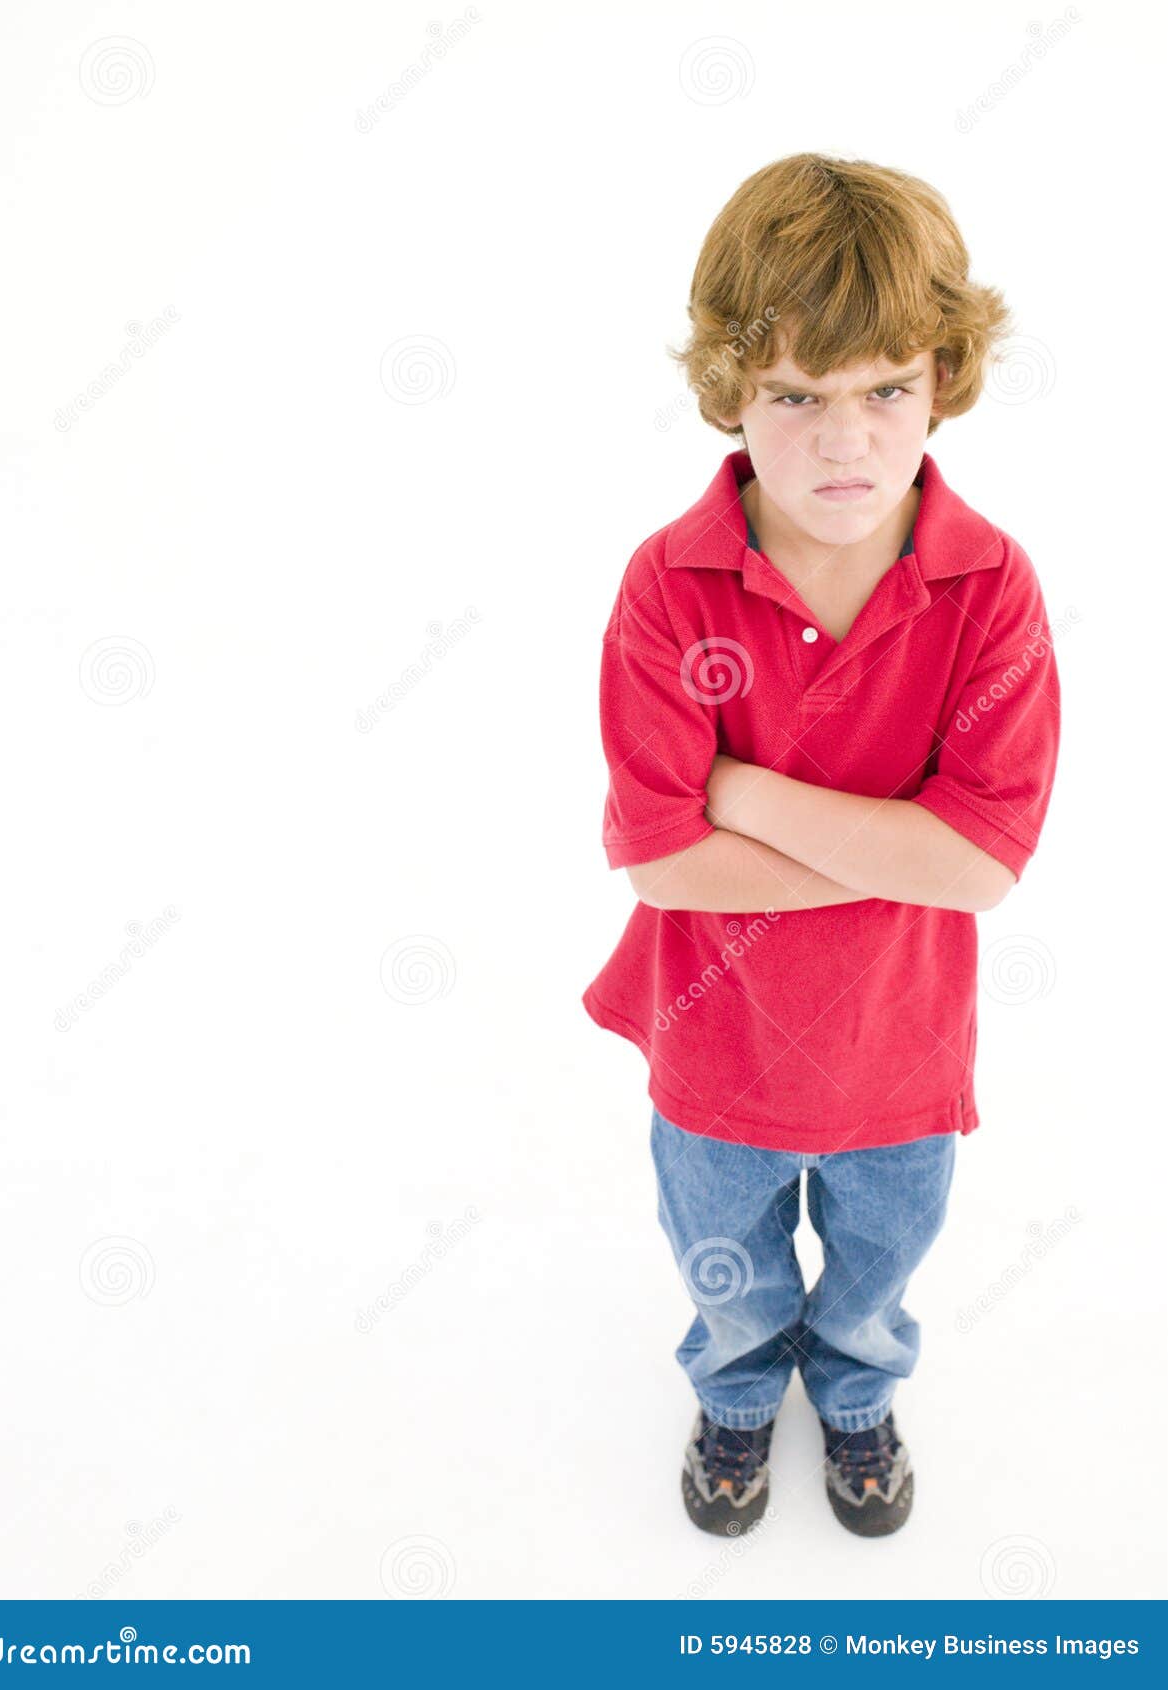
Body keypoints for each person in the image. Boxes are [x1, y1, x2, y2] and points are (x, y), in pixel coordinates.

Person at [581, 153, 1061, 1538]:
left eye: (883, 390)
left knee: (877, 1257)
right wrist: (901, 842)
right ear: (731, 390)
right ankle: (735, 1387)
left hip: (900, 1045)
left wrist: (740, 791)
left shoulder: (988, 586)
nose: (841, 440)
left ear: (941, 381)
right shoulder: (668, 586)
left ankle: (854, 1389)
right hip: (710, 1036)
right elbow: (660, 862)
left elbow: (980, 867)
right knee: (726, 1264)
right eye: (794, 394)